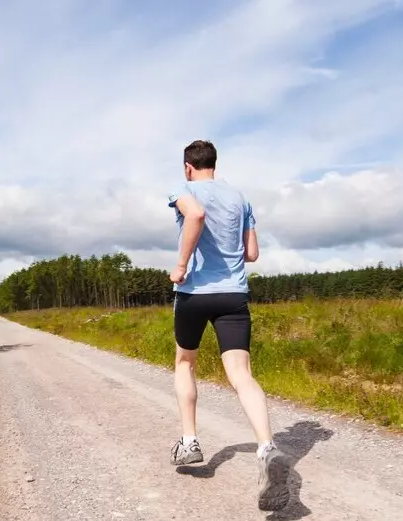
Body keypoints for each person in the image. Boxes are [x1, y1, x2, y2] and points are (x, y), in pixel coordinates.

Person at [166, 139, 289, 512]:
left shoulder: (183, 190)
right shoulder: (240, 197)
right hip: (234, 294)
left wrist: (182, 265)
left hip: (194, 293)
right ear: (214, 164)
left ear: (188, 167)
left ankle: (189, 442)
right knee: (241, 374)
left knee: (186, 362)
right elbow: (251, 253)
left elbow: (196, 216)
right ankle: (267, 447)